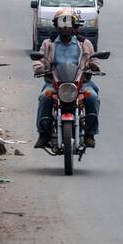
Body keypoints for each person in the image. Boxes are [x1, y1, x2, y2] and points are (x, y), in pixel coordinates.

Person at [32, 9, 101, 149]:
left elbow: (95, 59)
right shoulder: (48, 44)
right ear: (56, 25)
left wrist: (94, 66)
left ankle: (90, 134)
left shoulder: (85, 44)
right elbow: (40, 59)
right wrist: (39, 67)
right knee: (44, 98)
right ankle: (43, 134)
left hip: (82, 84)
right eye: (62, 23)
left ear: (74, 26)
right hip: (55, 84)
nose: (65, 27)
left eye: (69, 24)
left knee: (93, 97)